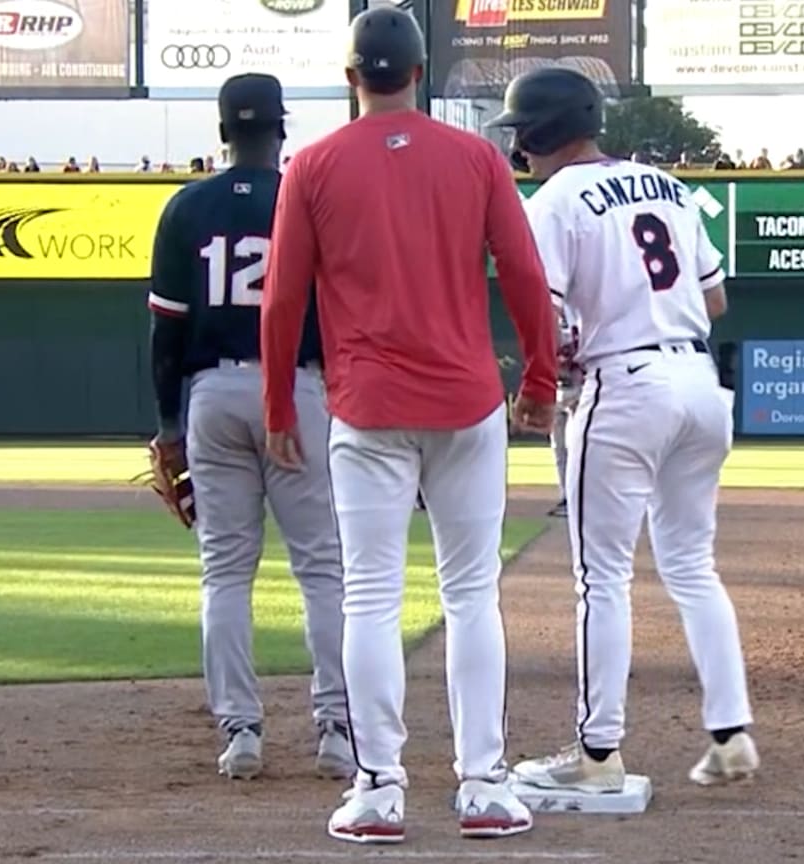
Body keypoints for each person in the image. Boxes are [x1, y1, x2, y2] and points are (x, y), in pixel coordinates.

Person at [259, 6, 558, 845]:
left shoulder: (312, 165)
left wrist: (278, 404)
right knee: (471, 595)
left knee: (369, 596)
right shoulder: (475, 156)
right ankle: (484, 785)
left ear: (352, 75)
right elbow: (523, 272)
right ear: (419, 73)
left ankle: (380, 788)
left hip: (367, 408)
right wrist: (539, 377)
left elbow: (282, 298)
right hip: (466, 401)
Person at [487, 67, 759, 796]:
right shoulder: (666, 186)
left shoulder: (553, 201)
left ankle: (597, 754)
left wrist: (547, 371)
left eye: (521, 134)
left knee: (601, 577)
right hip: (700, 383)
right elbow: (716, 299)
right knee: (691, 566)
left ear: (541, 131)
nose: (519, 149)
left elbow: (541, 310)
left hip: (627, 386)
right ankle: (731, 735)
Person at [146, 73, 354, 785]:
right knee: (322, 567)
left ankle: (240, 733)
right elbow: (341, 321)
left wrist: (168, 425)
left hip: (212, 394)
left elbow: (166, 333)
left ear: (223, 132)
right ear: (281, 129)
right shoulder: (312, 199)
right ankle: (336, 729)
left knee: (226, 570)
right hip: (295, 390)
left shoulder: (186, 207)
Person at [548, 311, 582, 517]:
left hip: (577, 390)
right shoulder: (548, 322)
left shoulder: (579, 320)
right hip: (556, 391)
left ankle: (576, 497)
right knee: (558, 449)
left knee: (573, 446)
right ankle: (566, 496)